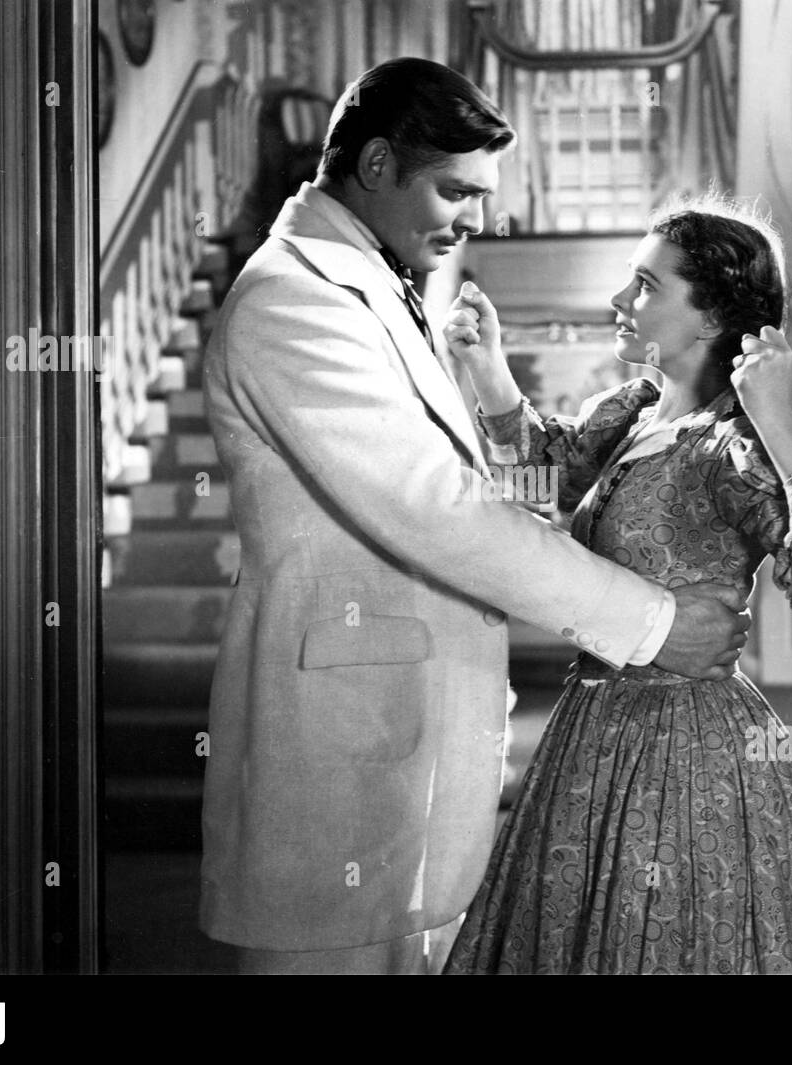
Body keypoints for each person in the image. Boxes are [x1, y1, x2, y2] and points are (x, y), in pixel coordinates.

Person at [198, 58, 751, 975]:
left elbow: (492, 491)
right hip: (338, 755)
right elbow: (437, 508)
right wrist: (651, 623)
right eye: (457, 189)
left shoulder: (375, 280)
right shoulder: (292, 299)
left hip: (405, 750)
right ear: (376, 165)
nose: (478, 219)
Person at [439, 194, 792, 974]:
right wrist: (487, 368)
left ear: (711, 316)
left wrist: (778, 414)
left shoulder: (737, 444)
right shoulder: (632, 411)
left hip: (691, 748)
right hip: (590, 725)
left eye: (646, 286)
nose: (620, 301)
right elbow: (542, 480)